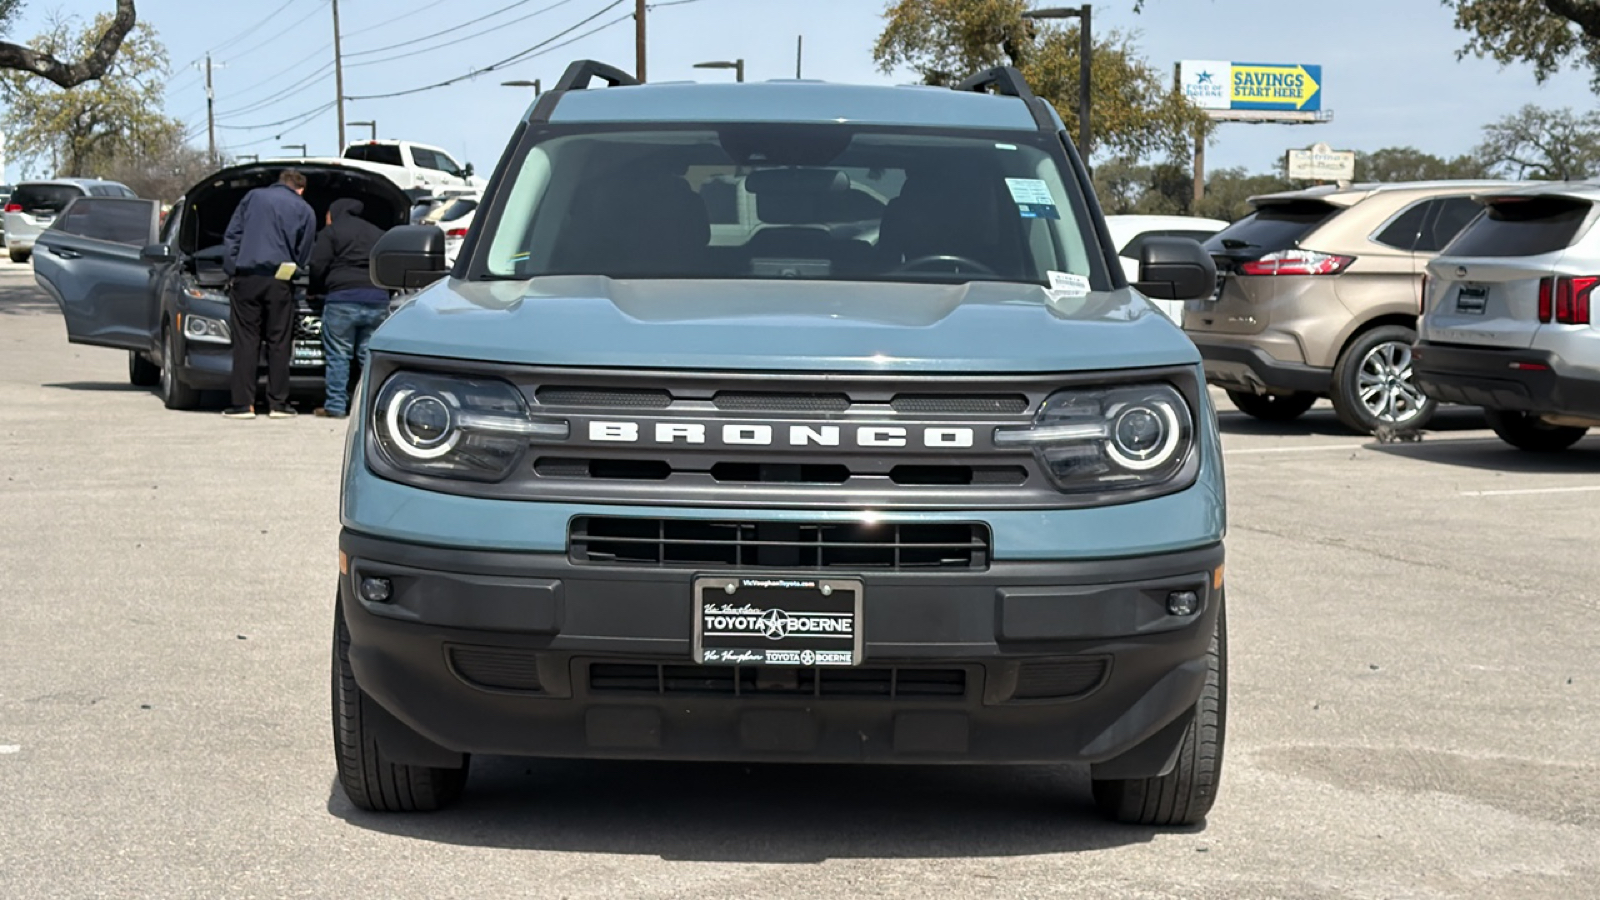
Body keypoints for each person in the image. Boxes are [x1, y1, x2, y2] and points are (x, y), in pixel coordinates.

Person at [221, 169, 316, 419]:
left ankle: (244, 404)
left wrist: (233, 270)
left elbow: (232, 235)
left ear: (279, 183)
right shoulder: (304, 209)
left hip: (247, 277)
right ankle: (278, 403)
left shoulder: (253, 197)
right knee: (279, 340)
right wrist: (295, 269)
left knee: (246, 340)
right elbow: (304, 250)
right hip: (280, 280)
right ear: (301, 189)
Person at [309, 198, 391, 419]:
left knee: (339, 355)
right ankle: (371, 408)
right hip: (376, 298)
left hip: (342, 298)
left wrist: (314, 289)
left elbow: (318, 264)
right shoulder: (378, 233)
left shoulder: (331, 231)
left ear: (334, 212)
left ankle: (336, 406)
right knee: (369, 356)